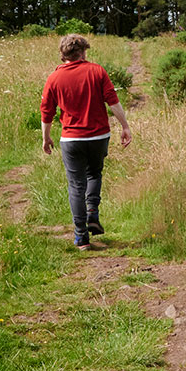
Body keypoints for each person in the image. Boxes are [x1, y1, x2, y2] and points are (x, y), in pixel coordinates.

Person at [40, 34, 132, 249]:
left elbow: (46, 112)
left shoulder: (54, 78)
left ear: (63, 54)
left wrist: (46, 138)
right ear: (83, 52)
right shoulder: (97, 71)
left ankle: (81, 237)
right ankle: (92, 212)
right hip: (99, 136)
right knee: (94, 174)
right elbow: (113, 101)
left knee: (76, 185)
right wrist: (125, 126)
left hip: (71, 138)